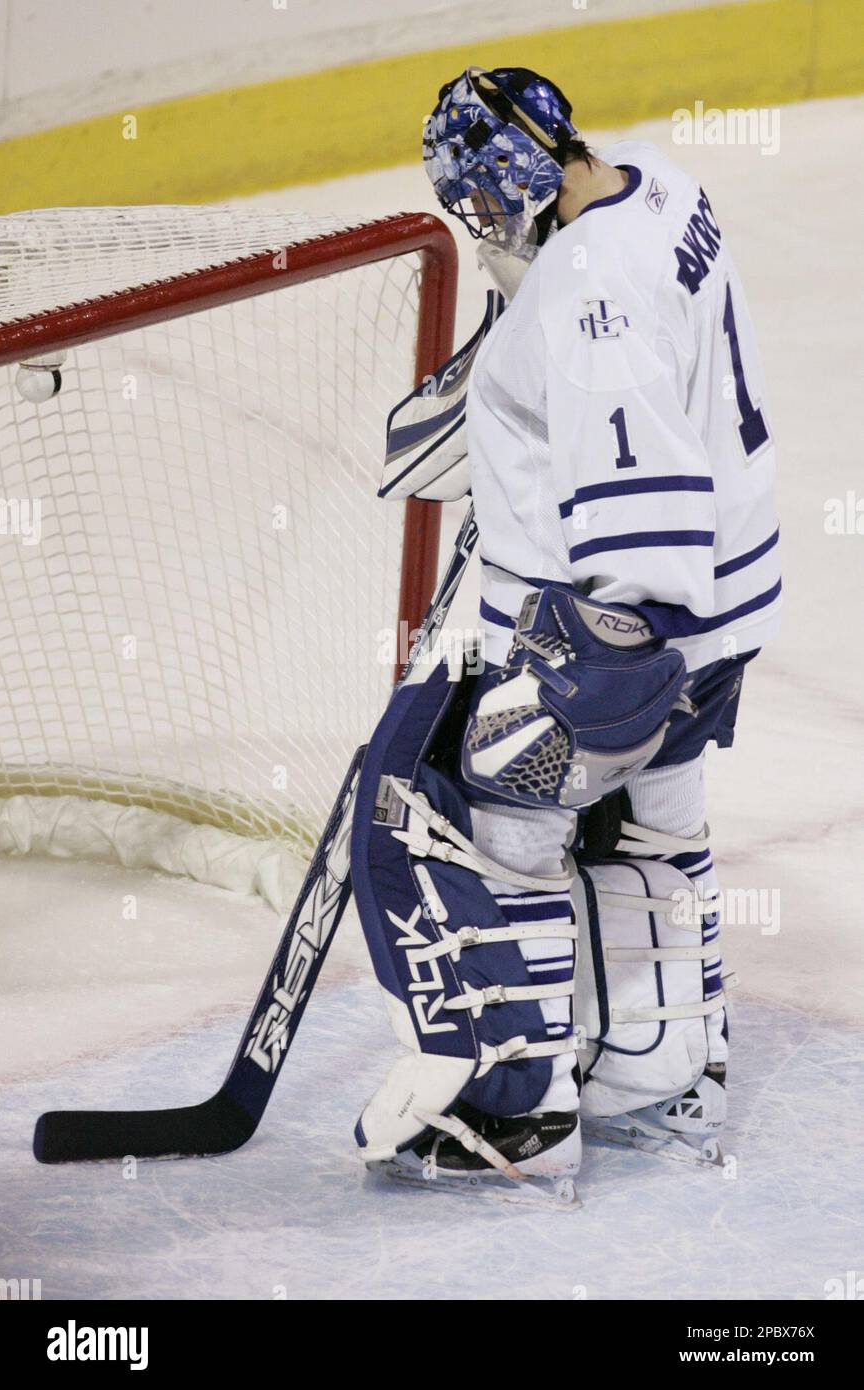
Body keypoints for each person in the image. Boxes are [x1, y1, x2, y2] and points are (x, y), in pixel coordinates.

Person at [350, 66, 780, 1204]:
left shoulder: (587, 286)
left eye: (479, 198)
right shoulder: (660, 187)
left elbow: (638, 501)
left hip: (635, 630)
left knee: (478, 813)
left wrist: (579, 675)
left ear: (513, 172)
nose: (480, 224)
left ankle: (518, 1111)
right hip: (726, 620)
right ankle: (672, 1070)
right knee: (659, 835)